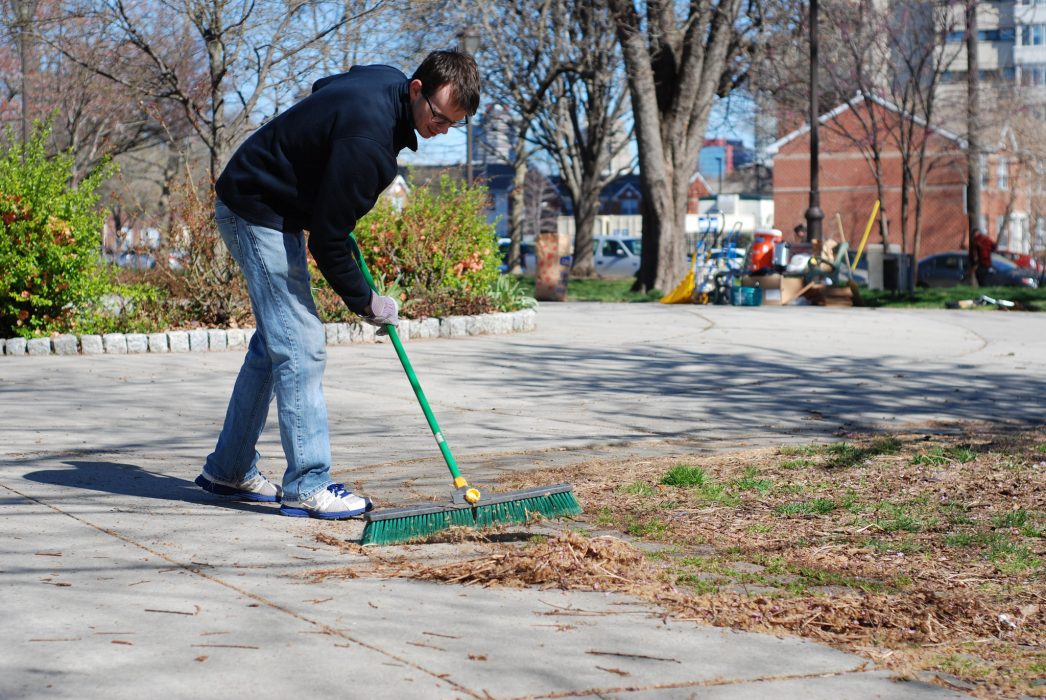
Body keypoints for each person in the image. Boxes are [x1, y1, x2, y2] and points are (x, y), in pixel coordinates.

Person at [194, 51, 481, 520]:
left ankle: (229, 468)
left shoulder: (384, 80)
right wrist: (367, 302)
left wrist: (320, 156)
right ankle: (307, 483)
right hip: (256, 208)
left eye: (453, 124)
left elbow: (326, 87)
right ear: (415, 89)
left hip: (268, 200)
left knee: (276, 344)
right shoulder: (368, 145)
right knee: (303, 344)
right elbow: (328, 242)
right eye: (437, 116)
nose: (441, 129)